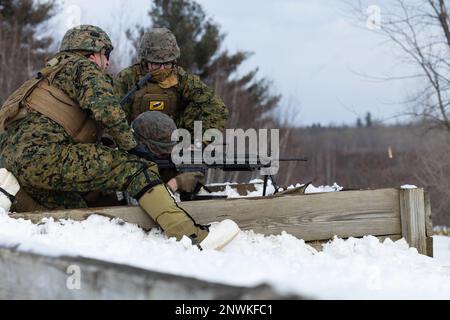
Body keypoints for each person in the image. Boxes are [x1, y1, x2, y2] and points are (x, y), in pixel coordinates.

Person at [0, 25, 239, 250]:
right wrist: (132, 148)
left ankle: (12, 192)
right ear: (93, 54)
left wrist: (198, 143)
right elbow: (108, 111)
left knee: (73, 206)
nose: (108, 63)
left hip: (15, 160)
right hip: (48, 156)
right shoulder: (84, 68)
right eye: (106, 55)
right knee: (135, 169)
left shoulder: (45, 76)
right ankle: (193, 236)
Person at [114, 27, 229, 137]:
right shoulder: (127, 78)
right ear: (145, 61)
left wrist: (202, 143)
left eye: (167, 64)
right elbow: (112, 114)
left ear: (174, 61)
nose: (162, 69)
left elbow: (217, 108)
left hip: (176, 143)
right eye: (156, 64)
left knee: (199, 107)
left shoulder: (183, 79)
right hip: (134, 143)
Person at [131, 111, 205, 194]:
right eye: (161, 151)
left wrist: (184, 178)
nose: (165, 154)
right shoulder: (123, 157)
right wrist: (172, 185)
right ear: (141, 143)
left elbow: (194, 178)